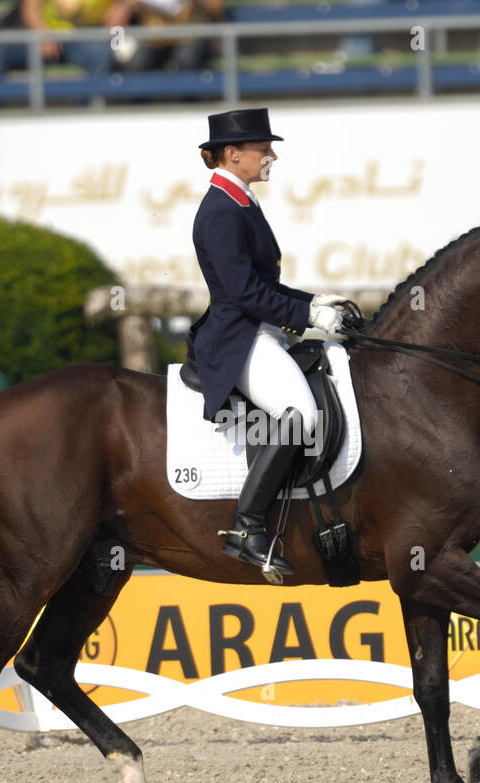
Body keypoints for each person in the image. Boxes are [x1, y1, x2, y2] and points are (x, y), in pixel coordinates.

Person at [190, 108, 359, 575]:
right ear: (232, 153)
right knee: (300, 414)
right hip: (239, 338)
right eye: (264, 149)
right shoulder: (222, 210)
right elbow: (244, 293)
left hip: (258, 330)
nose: (272, 157)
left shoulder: (240, 200)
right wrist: (307, 316)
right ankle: (247, 526)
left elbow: (261, 284)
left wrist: (315, 301)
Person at [0, 0, 125, 80]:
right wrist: (45, 36)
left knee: (101, 53)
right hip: (42, 34)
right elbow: (30, 8)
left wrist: (123, 9)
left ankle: (88, 109)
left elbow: (117, 20)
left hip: (81, 39)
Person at [121, 0, 223, 73]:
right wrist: (129, 6)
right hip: (154, 40)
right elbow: (118, 17)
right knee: (137, 62)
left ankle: (189, 101)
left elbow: (216, 10)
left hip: (189, 39)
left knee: (186, 59)